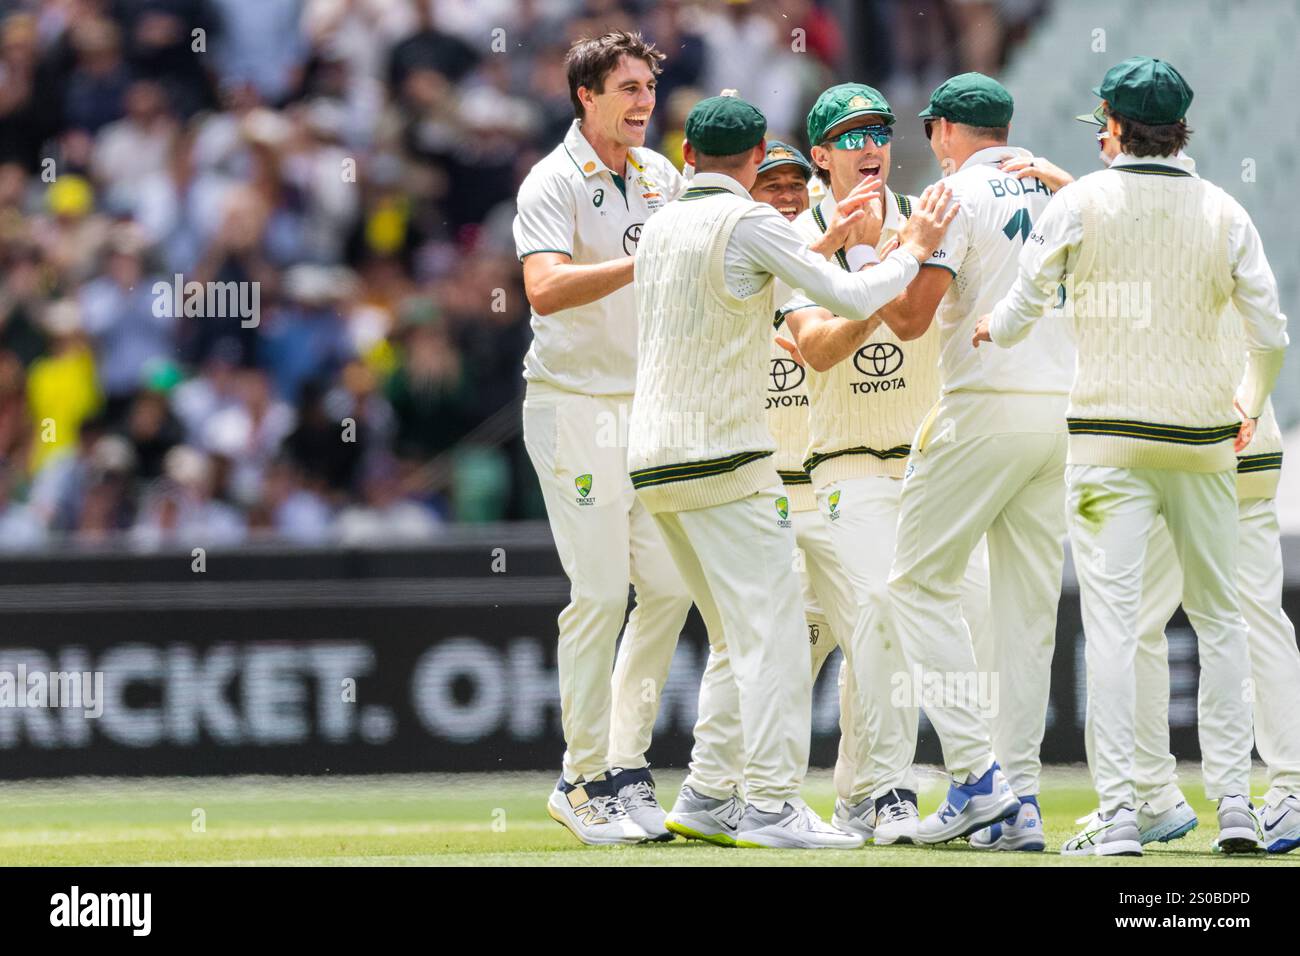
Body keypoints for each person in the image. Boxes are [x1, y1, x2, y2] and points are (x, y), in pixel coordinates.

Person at [974, 56, 1289, 856]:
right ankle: (1240, 809)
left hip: (1108, 448)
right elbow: (1272, 337)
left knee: (1116, 632)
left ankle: (1120, 814)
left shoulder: (1078, 202)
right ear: (1180, 126)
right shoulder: (1224, 209)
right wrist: (1247, 407)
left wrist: (990, 330)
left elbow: (1017, 312)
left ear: (1112, 125)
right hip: (1205, 449)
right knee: (1222, 626)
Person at [631, 93, 957, 848]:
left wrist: (825, 241)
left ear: (687, 156)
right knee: (778, 634)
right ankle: (774, 805)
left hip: (655, 461)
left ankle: (711, 795)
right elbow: (850, 295)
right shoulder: (748, 220)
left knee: (733, 637)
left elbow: (749, 282)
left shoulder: (664, 225)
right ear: (753, 162)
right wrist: (913, 248)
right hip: (728, 457)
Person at [776, 83, 991, 844]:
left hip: (932, 460)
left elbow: (930, 318)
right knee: (882, 619)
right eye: (849, 134)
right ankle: (892, 790)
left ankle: (920, 792)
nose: (870, 146)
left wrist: (900, 250)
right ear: (821, 156)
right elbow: (821, 351)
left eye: (879, 132)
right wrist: (868, 270)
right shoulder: (799, 237)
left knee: (970, 628)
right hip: (844, 464)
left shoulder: (924, 219)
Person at [874, 73, 1071, 849]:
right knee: (1027, 615)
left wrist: (885, 254)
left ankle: (976, 778)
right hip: (1061, 416)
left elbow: (913, 320)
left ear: (947, 131)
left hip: (982, 406)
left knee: (915, 583)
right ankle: (1017, 800)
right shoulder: (1061, 194)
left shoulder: (953, 195)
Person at [513, 31, 694, 845]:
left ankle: (622, 765)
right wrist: (642, 260)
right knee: (597, 594)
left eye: (648, 88)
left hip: (646, 407)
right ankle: (578, 779)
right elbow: (544, 289)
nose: (643, 103)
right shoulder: (551, 181)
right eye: (626, 88)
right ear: (585, 95)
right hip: (574, 407)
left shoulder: (661, 176)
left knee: (667, 588)